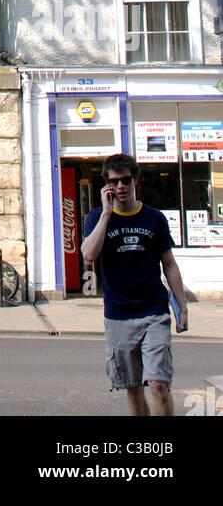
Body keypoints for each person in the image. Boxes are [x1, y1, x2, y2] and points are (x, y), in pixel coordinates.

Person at [80, 153, 187, 417]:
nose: (121, 187)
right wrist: (106, 214)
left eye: (126, 180)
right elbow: (89, 254)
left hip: (154, 311)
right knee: (133, 388)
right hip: (118, 316)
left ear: (135, 179)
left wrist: (182, 307)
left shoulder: (153, 219)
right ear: (107, 185)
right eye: (114, 182)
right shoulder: (96, 218)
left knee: (159, 385)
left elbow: (169, 264)